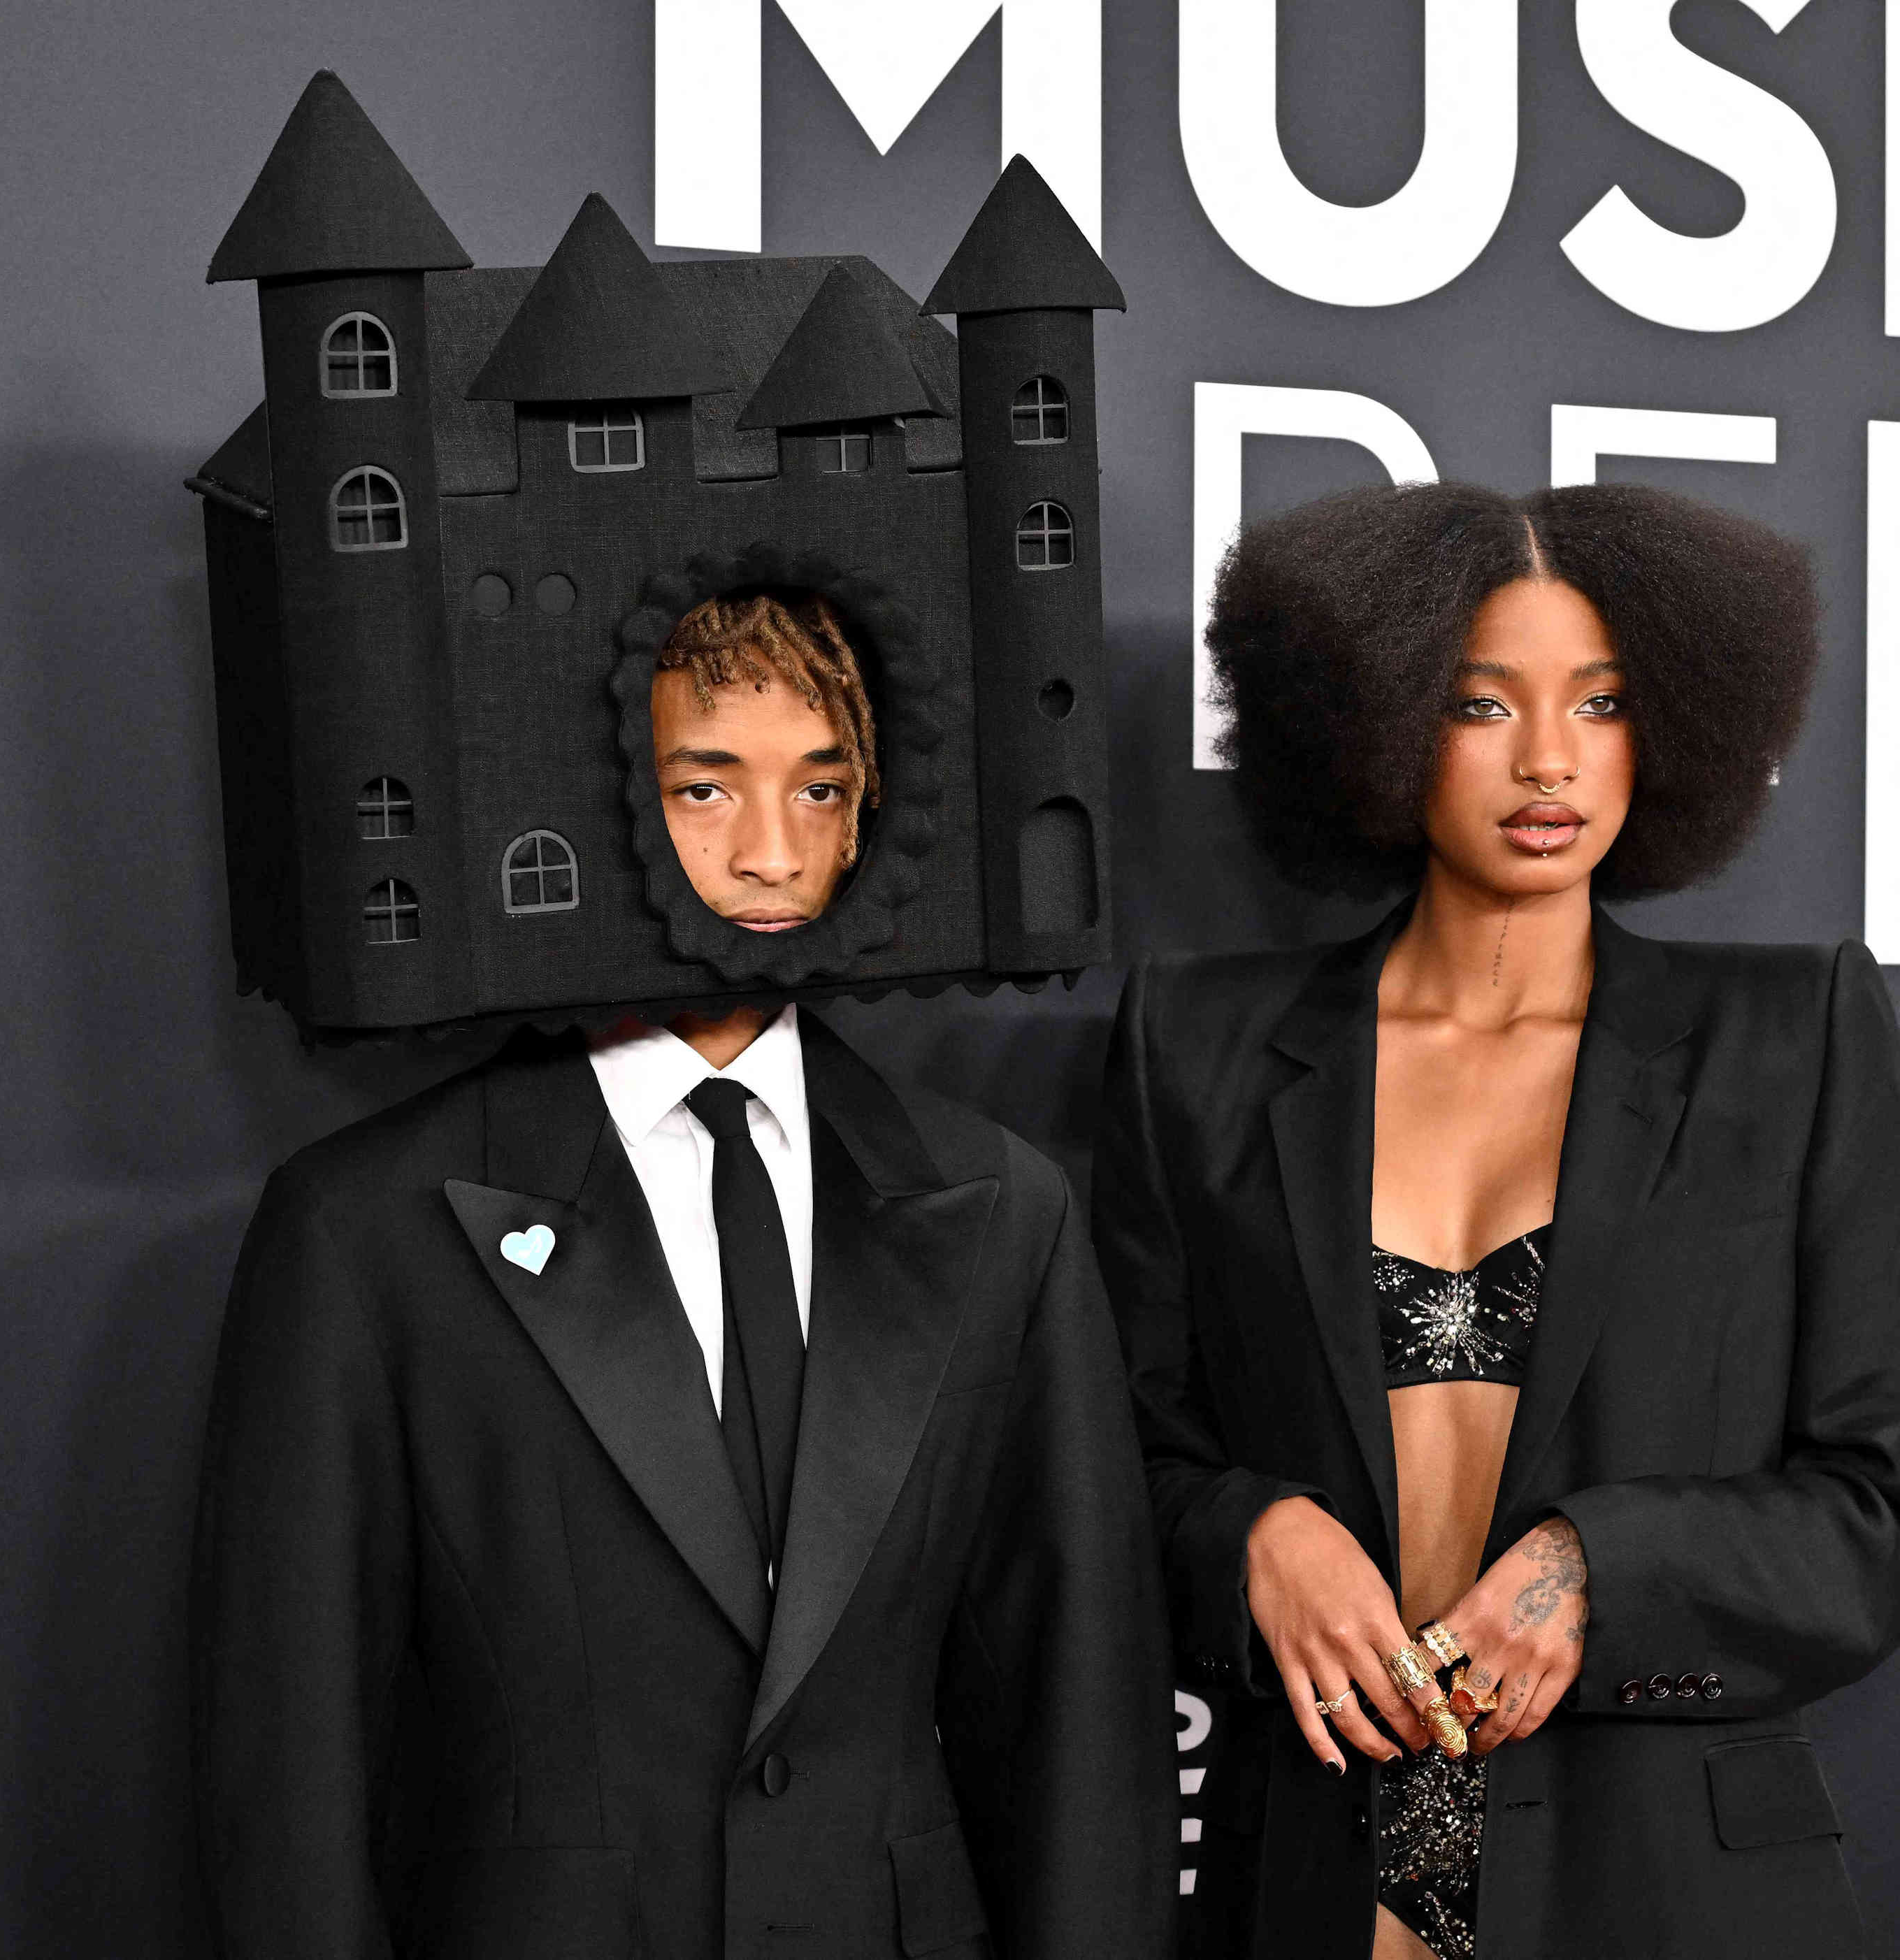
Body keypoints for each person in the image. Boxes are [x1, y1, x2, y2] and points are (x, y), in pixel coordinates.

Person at [193, 589, 1174, 1960]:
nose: (773, 853)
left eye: (820, 790)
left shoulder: (1003, 1210)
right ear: (601, 804)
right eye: (705, 788)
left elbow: (1083, 1723)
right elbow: (289, 1771)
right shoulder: (364, 1229)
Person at [1100, 484, 1900, 1960]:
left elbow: (1881, 1518)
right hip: (1305, 1884)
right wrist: (1251, 1533)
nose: (1548, 757)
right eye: (1480, 703)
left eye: (1602, 703)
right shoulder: (1198, 1045)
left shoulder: (1791, 1038)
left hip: (1668, 1893)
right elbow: (1106, 1458)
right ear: (1375, 722)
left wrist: (1594, 1568)